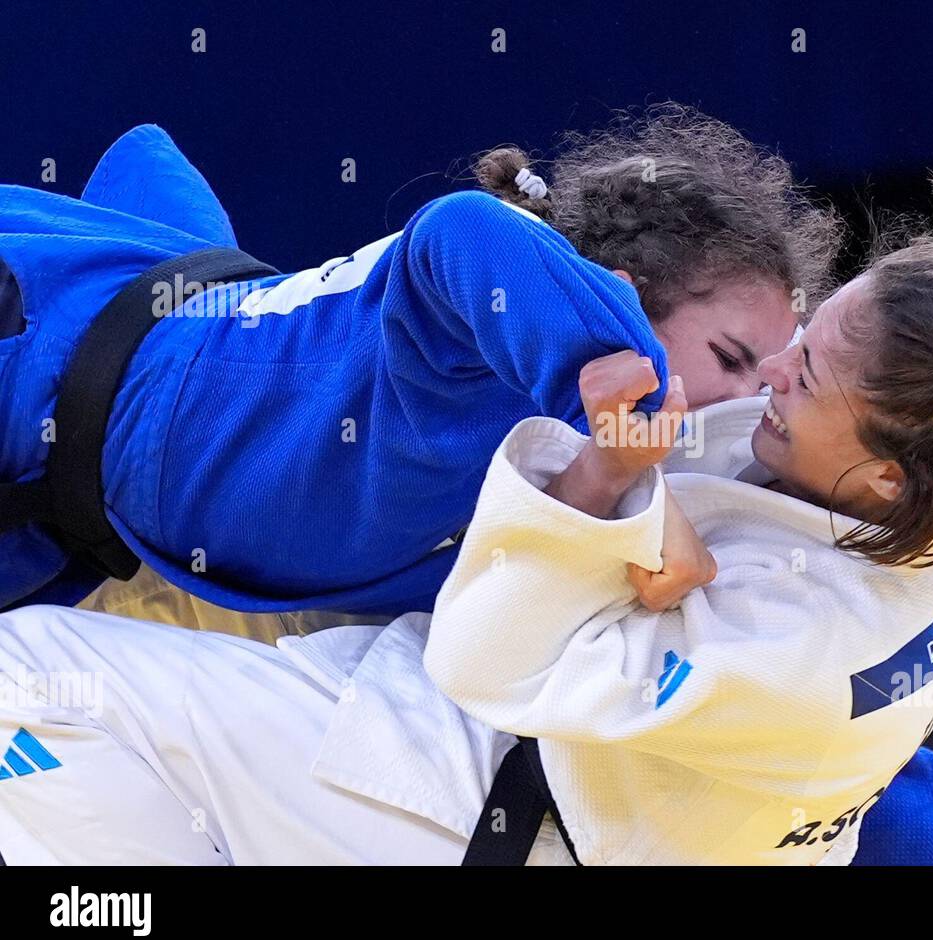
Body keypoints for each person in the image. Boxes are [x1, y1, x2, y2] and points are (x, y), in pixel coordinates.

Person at [0, 179, 933, 864]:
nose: (771, 376)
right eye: (802, 335)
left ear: (887, 475)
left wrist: (598, 489)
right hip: (540, 773)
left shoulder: (807, 646)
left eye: (800, 371)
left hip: (470, 798)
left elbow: (494, 653)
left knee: (30, 683)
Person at [0, 106, 841, 617]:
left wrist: (614, 486)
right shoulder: (475, 322)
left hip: (76, 499)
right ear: (615, 286)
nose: (745, 395)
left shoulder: (575, 469)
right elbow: (463, 227)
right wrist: (617, 404)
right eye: (730, 357)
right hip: (51, 355)